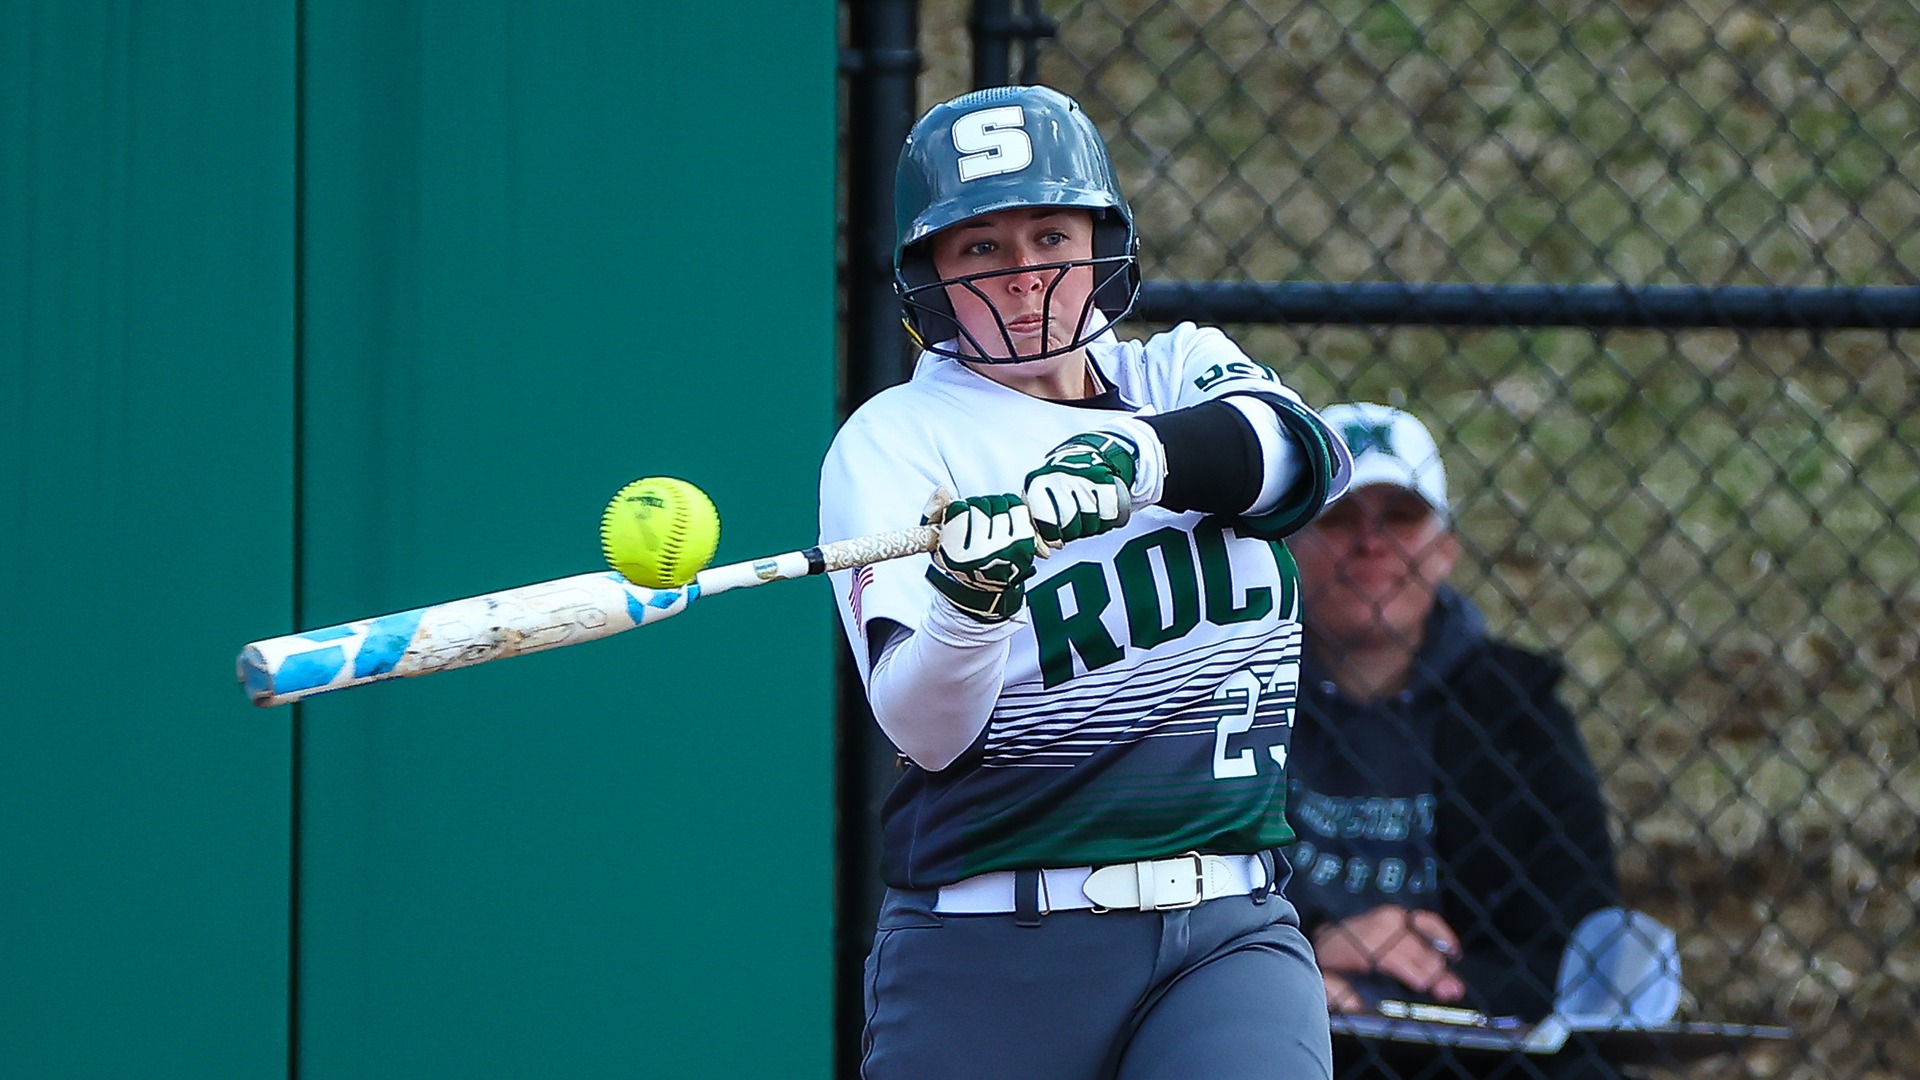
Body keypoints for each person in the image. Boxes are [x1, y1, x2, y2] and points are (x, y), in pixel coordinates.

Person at [818, 85, 1355, 1080]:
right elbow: (924, 730)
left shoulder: (1178, 371)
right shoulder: (898, 443)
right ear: (927, 273)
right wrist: (975, 600)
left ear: (1103, 241)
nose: (1026, 278)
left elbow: (1302, 460)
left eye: (1052, 234)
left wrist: (1136, 464)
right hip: (990, 953)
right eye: (981, 248)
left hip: (1228, 928)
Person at [1284, 402, 1621, 1080]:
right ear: (1288, 544)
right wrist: (1314, 949)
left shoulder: (1518, 710)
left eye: (1400, 518)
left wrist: (1415, 983)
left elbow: (1581, 943)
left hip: (1471, 1041)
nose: (1370, 543)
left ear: (1445, 552)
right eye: (1340, 518)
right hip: (1287, 1019)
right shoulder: (1227, 691)